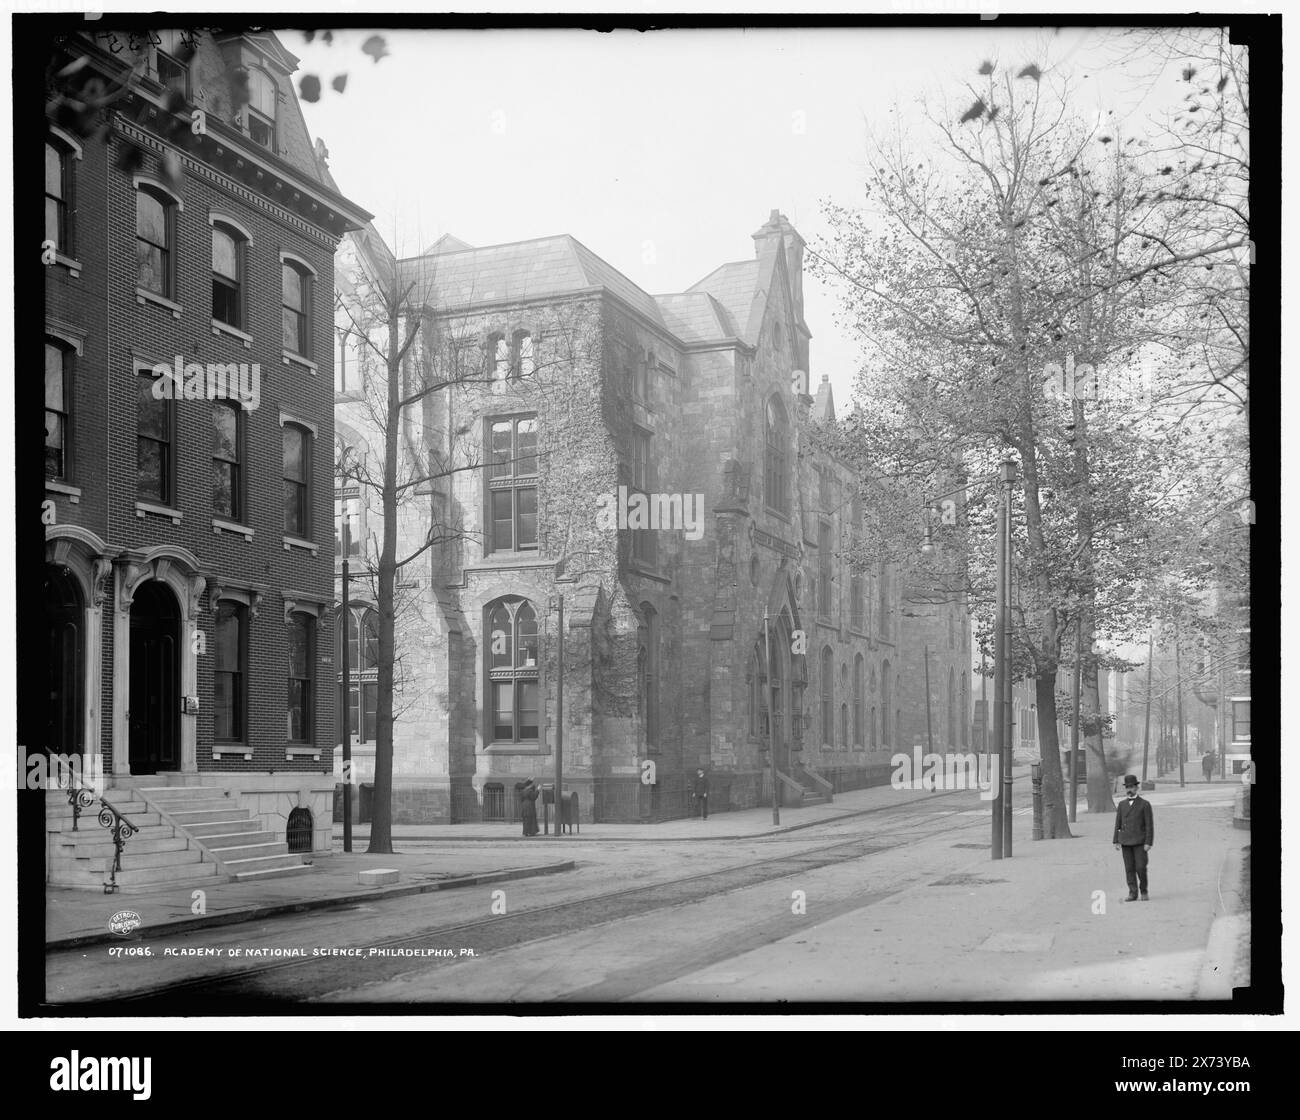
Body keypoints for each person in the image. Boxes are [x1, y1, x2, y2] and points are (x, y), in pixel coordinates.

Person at [1113, 774, 1154, 901]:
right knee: (1129, 868)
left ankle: (1144, 890)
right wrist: (1116, 840)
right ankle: (1132, 892)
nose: (1129, 790)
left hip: (1140, 841)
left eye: (1132, 787)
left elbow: (1149, 825)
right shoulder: (1121, 805)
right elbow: (1118, 823)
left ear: (1137, 788)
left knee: (1141, 867)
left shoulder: (1145, 804)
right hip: (1125, 841)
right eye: (1127, 787)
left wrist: (1148, 842)